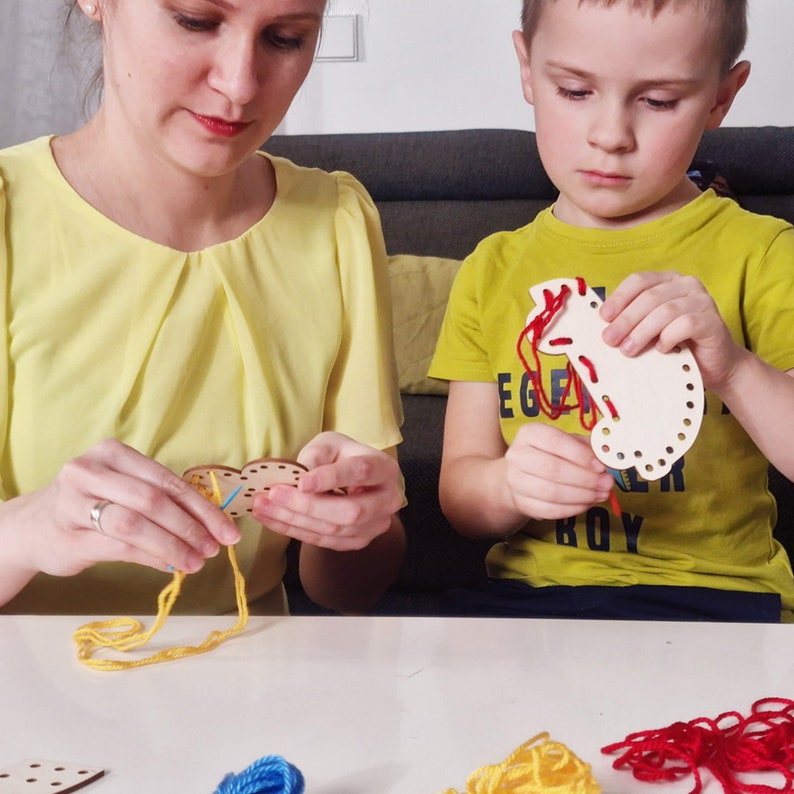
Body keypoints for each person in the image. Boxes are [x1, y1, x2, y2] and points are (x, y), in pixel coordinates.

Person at [0, 0, 406, 616]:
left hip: (258, 665)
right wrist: (31, 529)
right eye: (195, 20)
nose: (239, 85)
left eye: (285, 38)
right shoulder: (11, 211)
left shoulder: (337, 222)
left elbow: (349, 590)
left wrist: (358, 523)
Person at [429, 0, 794, 622]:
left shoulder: (763, 253)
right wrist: (508, 486)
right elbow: (462, 494)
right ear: (526, 69)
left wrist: (734, 368)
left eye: (658, 101)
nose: (610, 135)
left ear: (721, 98)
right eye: (575, 91)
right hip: (533, 598)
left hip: (720, 598)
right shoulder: (491, 268)